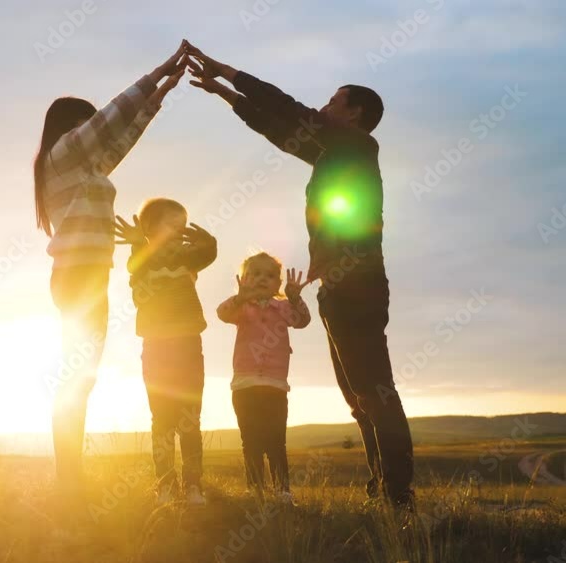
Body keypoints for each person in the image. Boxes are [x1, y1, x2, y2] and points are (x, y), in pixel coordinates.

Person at [185, 41, 416, 510]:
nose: (325, 105)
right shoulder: (334, 153)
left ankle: (398, 494)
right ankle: (383, 487)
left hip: (359, 286)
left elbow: (287, 109)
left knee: (374, 389)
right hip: (337, 288)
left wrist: (229, 70)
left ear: (354, 114)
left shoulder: (357, 145)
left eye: (335, 101)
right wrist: (226, 96)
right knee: (357, 395)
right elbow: (278, 129)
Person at [33, 42, 188, 492]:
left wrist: (162, 93)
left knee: (81, 379)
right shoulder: (60, 156)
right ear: (70, 125)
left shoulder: (88, 168)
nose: (93, 129)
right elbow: (109, 121)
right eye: (87, 121)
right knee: (75, 379)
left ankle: (70, 475)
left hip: (93, 280)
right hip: (75, 279)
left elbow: (124, 135)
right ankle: (69, 479)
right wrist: (156, 71)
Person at [114, 200, 216, 506]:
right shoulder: (142, 260)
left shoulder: (186, 257)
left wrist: (208, 241)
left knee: (189, 417)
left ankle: (194, 484)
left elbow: (207, 254)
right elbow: (137, 269)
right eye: (172, 223)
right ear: (150, 228)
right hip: (157, 346)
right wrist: (137, 244)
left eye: (183, 223)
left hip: (187, 343)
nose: (180, 230)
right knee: (161, 419)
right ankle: (166, 484)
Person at [216, 253, 309, 504]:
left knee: (276, 439)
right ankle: (255, 490)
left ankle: (282, 491)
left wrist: (295, 297)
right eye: (255, 274)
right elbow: (221, 313)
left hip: (275, 385)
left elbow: (302, 321)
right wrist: (240, 297)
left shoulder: (284, 308)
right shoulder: (241, 308)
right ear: (245, 279)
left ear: (278, 284)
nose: (262, 279)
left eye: (269, 275)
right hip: (244, 384)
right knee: (251, 440)